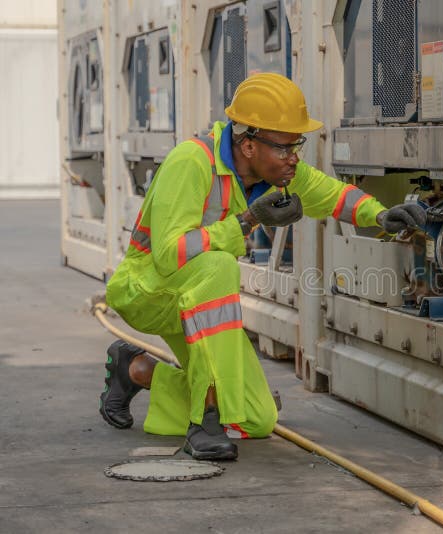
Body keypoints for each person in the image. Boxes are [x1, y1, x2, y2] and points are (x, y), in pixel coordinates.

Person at [99, 73, 426, 460]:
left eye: (296, 146)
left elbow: (333, 196)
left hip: (197, 300)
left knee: (255, 419)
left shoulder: (279, 172)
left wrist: (382, 214)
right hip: (147, 290)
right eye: (285, 147)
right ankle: (204, 419)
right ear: (249, 143)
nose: (294, 158)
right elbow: (171, 254)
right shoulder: (191, 162)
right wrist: (246, 221)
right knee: (219, 266)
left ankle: (136, 370)